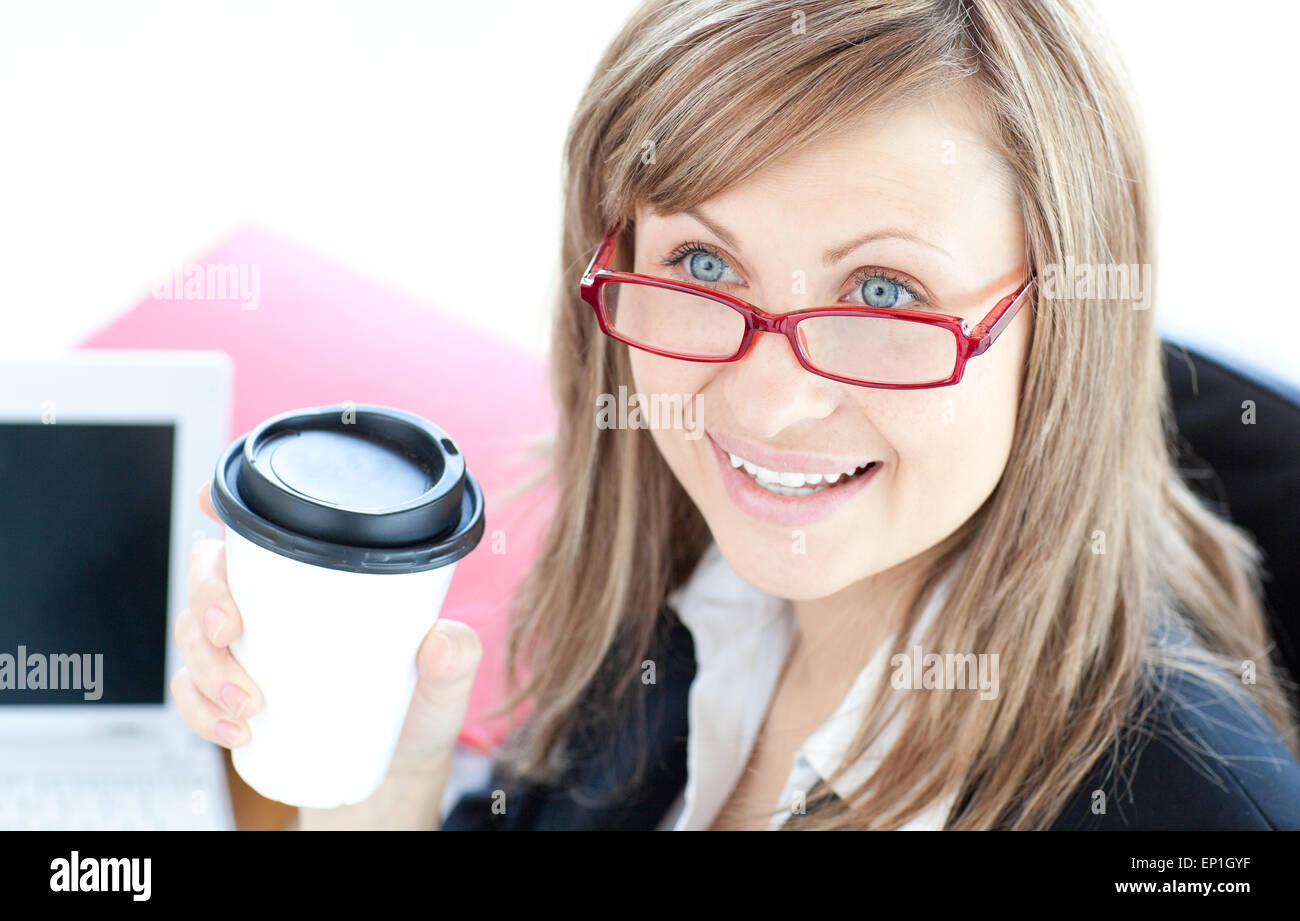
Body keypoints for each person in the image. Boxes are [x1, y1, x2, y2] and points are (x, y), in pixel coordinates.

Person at [172, 0, 1300, 830]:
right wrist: (386, 775)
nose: (766, 402)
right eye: (704, 262)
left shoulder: (1198, 825)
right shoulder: (674, 596)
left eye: (882, 292)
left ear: (1057, 330)